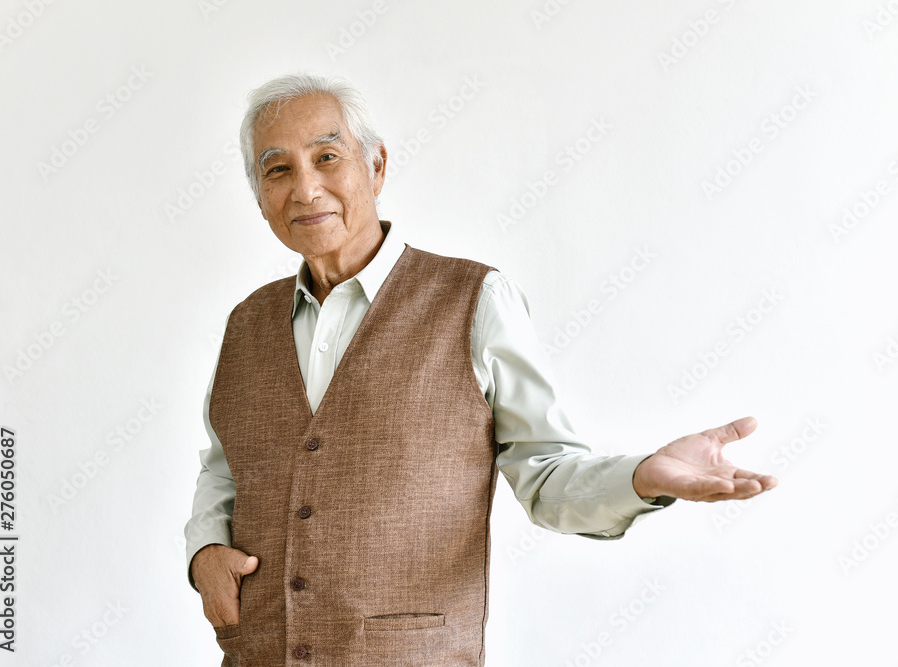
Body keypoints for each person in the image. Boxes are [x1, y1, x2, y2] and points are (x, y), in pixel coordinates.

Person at [183, 73, 778, 666]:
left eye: (327, 157)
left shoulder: (474, 299)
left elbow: (546, 476)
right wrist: (206, 548)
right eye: (278, 169)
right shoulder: (247, 323)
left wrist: (643, 477)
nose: (306, 188)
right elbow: (225, 466)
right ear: (260, 195)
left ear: (377, 167)